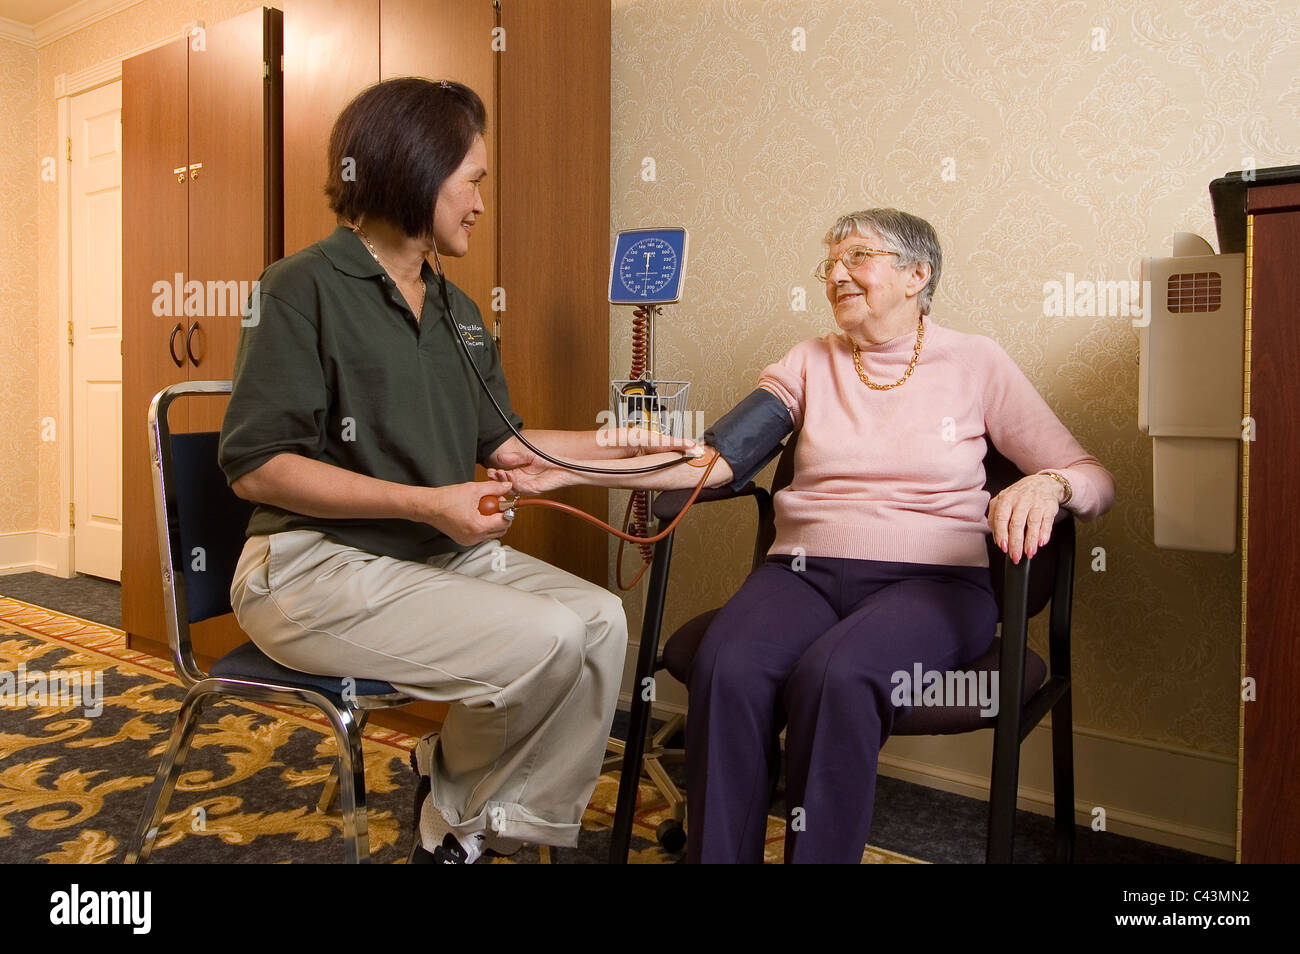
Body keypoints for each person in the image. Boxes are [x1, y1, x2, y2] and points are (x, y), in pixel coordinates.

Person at [494, 208, 1116, 863]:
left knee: (838, 674)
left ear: (917, 274)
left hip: (937, 583)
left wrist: (1050, 486)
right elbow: (718, 459)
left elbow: (1090, 475)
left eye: (859, 257)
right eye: (830, 264)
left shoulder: (976, 362)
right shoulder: (807, 362)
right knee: (728, 665)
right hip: (801, 574)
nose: (838, 275)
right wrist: (567, 472)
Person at [218, 78, 685, 864]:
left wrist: (643, 449)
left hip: (431, 561)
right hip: (307, 567)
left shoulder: (459, 312)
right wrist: (431, 503)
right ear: (415, 167)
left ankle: (470, 806)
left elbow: (510, 447)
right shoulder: (299, 287)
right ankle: (457, 830)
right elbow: (257, 468)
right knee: (545, 636)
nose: (478, 202)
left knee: (602, 623)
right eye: (473, 180)